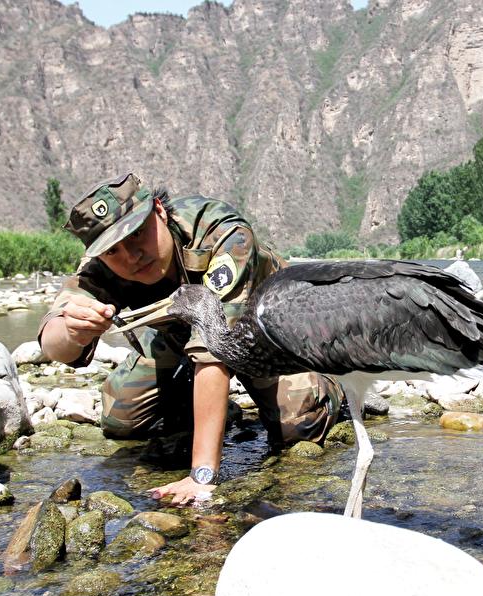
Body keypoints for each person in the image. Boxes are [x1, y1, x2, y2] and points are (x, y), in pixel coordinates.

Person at [38, 173, 343, 506]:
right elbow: (52, 342)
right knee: (120, 419)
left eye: (138, 234)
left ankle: (334, 384)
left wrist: (202, 476)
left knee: (298, 425)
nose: (131, 256)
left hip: (271, 332)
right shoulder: (101, 264)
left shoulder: (223, 234)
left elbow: (216, 350)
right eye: (113, 251)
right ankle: (211, 409)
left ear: (159, 211)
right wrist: (71, 331)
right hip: (180, 333)